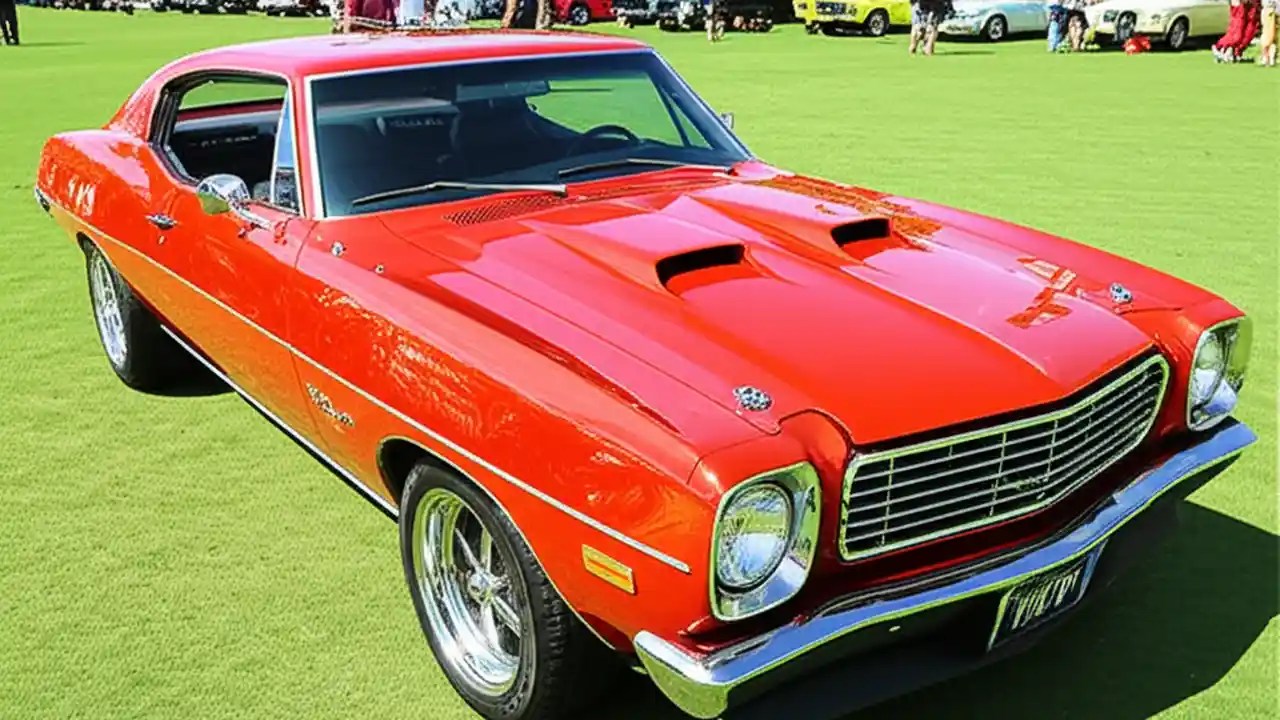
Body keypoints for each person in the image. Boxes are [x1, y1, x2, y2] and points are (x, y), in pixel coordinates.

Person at [1261, 0, 1277, 66]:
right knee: (1268, 35)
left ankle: (1270, 58)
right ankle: (1266, 57)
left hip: (1272, 10)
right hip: (1268, 10)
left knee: (1272, 36)